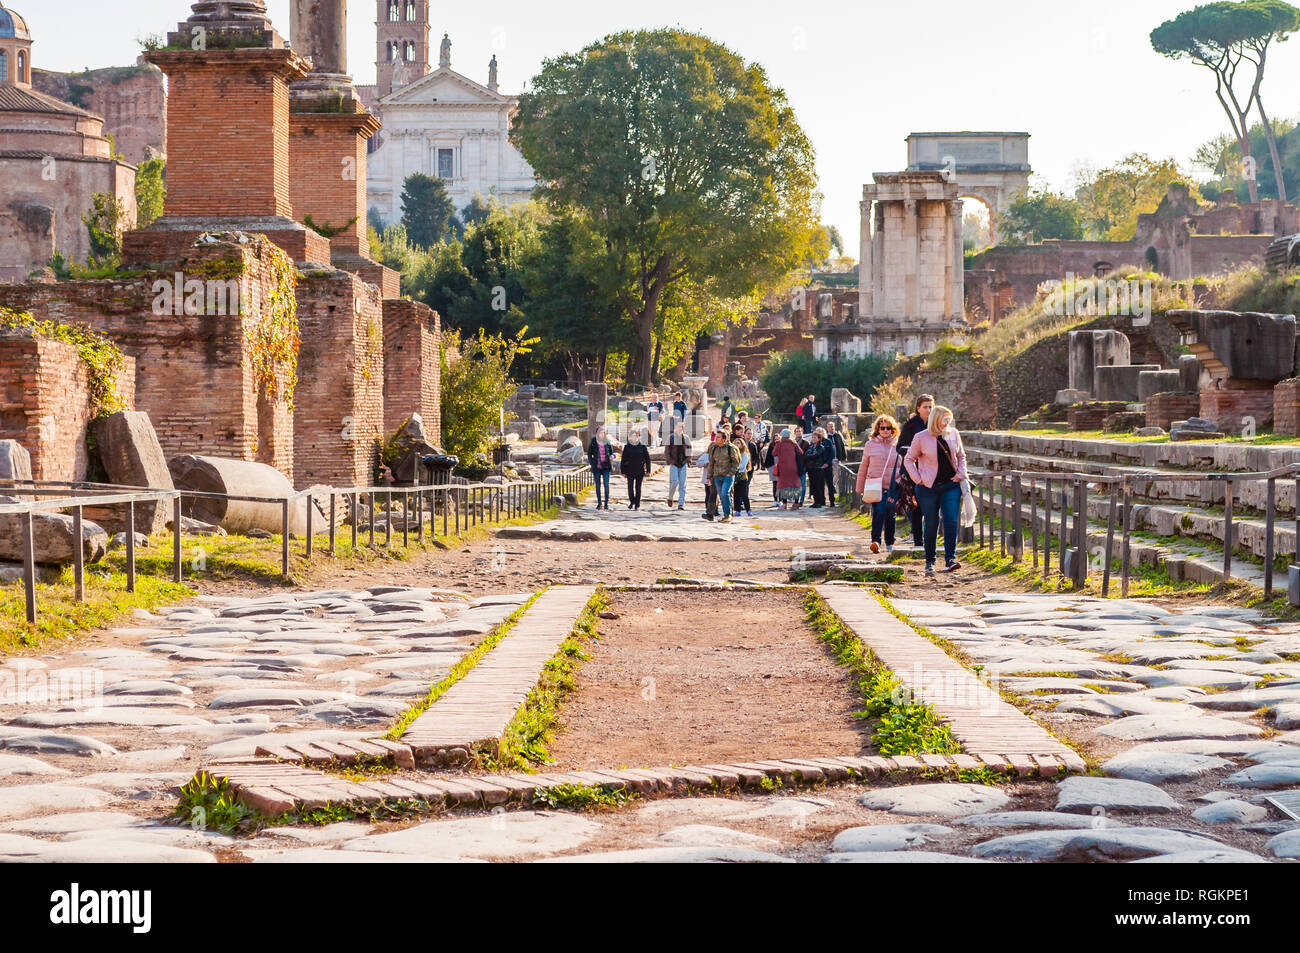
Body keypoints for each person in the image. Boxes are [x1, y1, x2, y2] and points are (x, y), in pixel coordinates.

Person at [904, 404, 967, 574]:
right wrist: (918, 479)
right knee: (931, 523)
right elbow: (908, 460)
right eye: (945, 419)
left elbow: (961, 456)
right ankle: (930, 561)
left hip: (950, 485)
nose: (947, 422)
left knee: (951, 520)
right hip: (928, 488)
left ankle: (950, 559)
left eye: (949, 419)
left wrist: (960, 474)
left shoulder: (953, 434)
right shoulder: (921, 437)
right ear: (936, 419)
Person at [856, 414, 899, 553]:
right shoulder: (870, 444)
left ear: (893, 429)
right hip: (876, 484)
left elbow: (904, 464)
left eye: (888, 428)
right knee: (879, 511)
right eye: (882, 428)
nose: (885, 430)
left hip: (893, 485)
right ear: (878, 429)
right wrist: (860, 486)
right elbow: (864, 466)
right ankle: (876, 541)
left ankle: (890, 541)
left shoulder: (898, 444)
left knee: (890, 513)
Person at [897, 394, 934, 545]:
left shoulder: (936, 424)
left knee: (931, 507)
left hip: (932, 471)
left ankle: (930, 539)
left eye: (931, 406)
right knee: (916, 507)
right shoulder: (910, 425)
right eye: (925, 407)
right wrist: (914, 452)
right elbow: (899, 447)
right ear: (918, 408)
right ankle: (918, 541)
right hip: (913, 470)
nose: (928, 410)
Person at [706, 429, 741, 523]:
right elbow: (711, 463)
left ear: (724, 439)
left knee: (725, 493)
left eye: (718, 437)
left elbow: (736, 462)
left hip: (728, 475)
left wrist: (731, 473)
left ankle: (728, 515)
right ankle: (725, 514)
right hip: (717, 476)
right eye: (716, 437)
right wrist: (709, 477)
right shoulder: (714, 448)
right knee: (722, 496)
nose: (716, 439)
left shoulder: (731, 448)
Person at [771, 428, 804, 509]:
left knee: (783, 485)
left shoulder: (779, 443)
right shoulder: (793, 443)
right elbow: (801, 452)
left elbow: (773, 453)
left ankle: (784, 504)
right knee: (795, 485)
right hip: (794, 467)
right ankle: (796, 503)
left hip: (783, 468)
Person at [620, 427, 651, 510]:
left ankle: (637, 504)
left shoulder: (642, 446)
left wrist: (648, 470)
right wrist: (622, 471)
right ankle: (632, 501)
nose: (634, 437)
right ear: (630, 437)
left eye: (636, 436)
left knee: (638, 488)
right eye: (633, 436)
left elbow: (647, 459)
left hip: (639, 470)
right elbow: (623, 459)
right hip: (629, 470)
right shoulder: (627, 447)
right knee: (630, 488)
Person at [663, 418, 691, 510]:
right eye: (678, 426)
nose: (680, 428)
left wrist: (688, 460)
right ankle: (670, 497)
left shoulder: (686, 438)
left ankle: (681, 503)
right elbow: (667, 451)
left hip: (683, 463)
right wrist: (670, 461)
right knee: (674, 482)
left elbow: (689, 450)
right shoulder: (671, 437)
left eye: (681, 427)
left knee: (683, 484)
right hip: (674, 463)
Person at [586, 426, 615, 510]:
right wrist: (592, 463)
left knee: (606, 484)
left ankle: (606, 504)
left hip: (606, 467)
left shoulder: (607, 442)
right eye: (600, 432)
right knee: (598, 485)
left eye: (603, 432)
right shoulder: (593, 441)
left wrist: (612, 456)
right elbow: (589, 454)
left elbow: (612, 453)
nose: (602, 434)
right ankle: (599, 503)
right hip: (597, 467)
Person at [730, 432, 754, 518]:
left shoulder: (745, 454)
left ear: (742, 444)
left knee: (744, 494)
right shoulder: (733, 453)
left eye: (738, 443)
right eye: (735, 443)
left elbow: (742, 465)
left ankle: (748, 509)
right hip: (734, 475)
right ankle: (737, 510)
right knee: (735, 494)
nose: (736, 444)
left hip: (742, 475)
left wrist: (732, 467)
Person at [699, 446, 717, 519]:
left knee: (715, 495)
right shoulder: (706, 455)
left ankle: (715, 510)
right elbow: (698, 463)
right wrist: (705, 463)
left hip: (717, 477)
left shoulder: (719, 455)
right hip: (707, 477)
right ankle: (708, 509)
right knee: (708, 494)